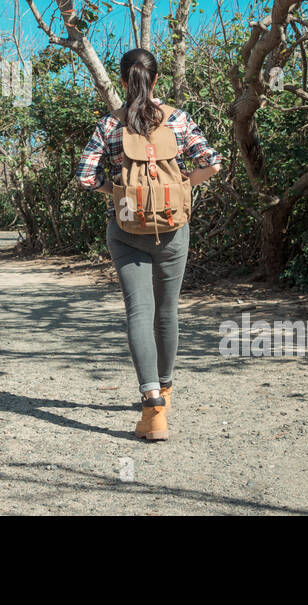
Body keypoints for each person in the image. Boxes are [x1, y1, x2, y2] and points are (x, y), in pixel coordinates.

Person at [75, 48, 222, 441]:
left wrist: (118, 192)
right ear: (155, 80)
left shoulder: (110, 125)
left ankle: (152, 405)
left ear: (124, 81)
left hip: (126, 232)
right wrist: (181, 187)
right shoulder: (178, 120)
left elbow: (86, 177)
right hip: (173, 227)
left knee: (138, 312)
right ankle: (168, 388)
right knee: (166, 310)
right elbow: (213, 162)